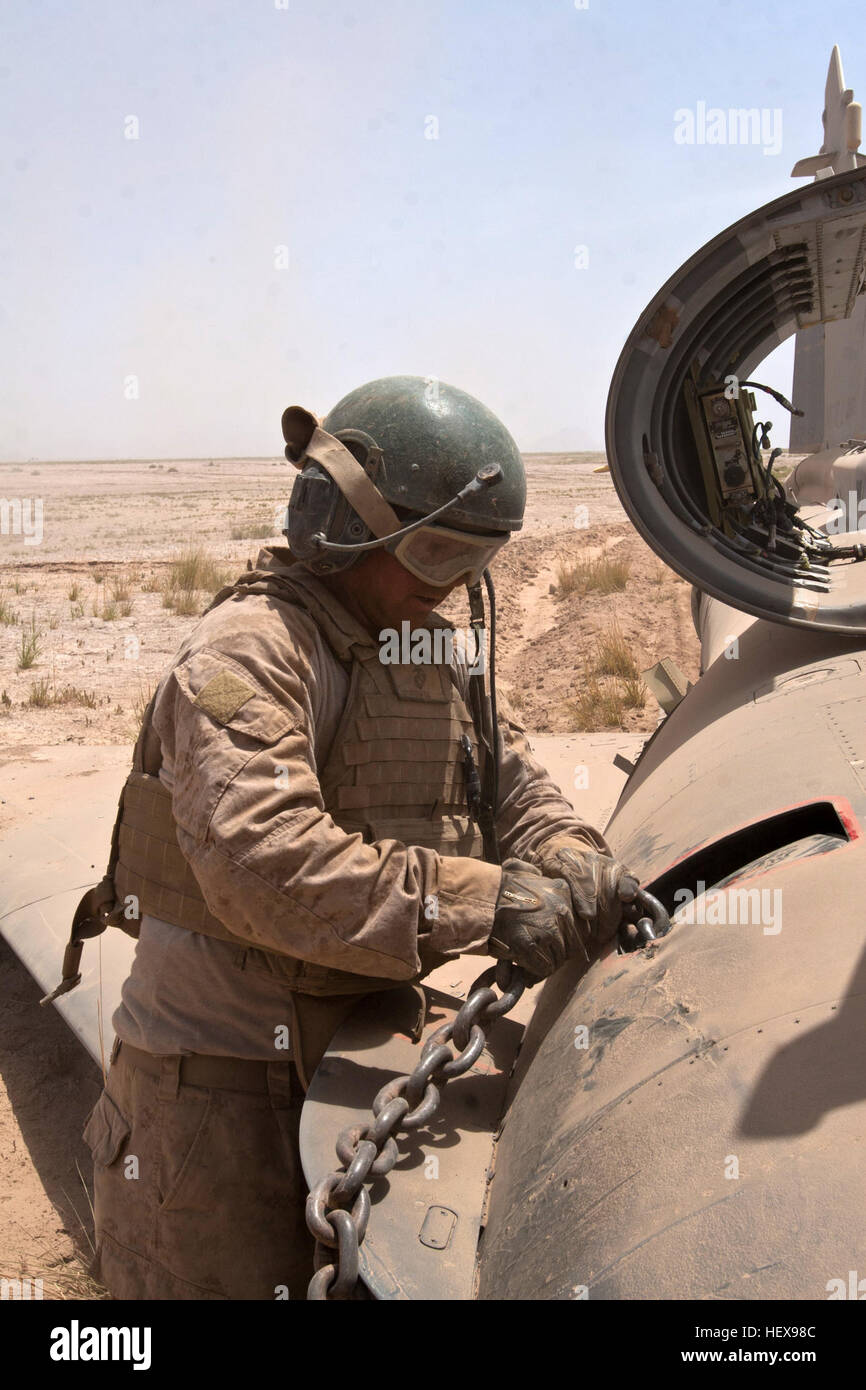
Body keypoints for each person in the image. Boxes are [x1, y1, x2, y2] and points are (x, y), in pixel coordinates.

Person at [79, 375, 640, 1300]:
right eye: (430, 551)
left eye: (473, 559)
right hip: (214, 1091)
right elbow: (263, 860)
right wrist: (485, 901)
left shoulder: (434, 649)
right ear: (338, 522)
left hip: (360, 1052)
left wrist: (568, 857)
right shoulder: (251, 650)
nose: (448, 583)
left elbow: (517, 787)